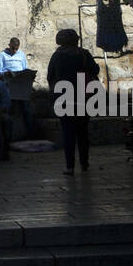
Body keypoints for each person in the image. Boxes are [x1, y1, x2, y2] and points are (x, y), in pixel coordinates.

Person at [47, 28, 99, 175]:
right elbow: (95, 70)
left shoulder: (56, 56)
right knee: (83, 132)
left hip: (64, 98)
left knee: (68, 133)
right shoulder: (83, 54)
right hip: (84, 97)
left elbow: (50, 76)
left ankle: (70, 166)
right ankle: (84, 163)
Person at [0, 37, 37, 141]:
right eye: (13, 48)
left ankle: (30, 136)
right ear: (9, 45)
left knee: (27, 110)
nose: (14, 51)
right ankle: (8, 137)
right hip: (9, 86)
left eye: (16, 49)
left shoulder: (21, 54)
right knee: (9, 112)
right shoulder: (2, 55)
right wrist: (6, 73)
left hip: (22, 86)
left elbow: (25, 68)